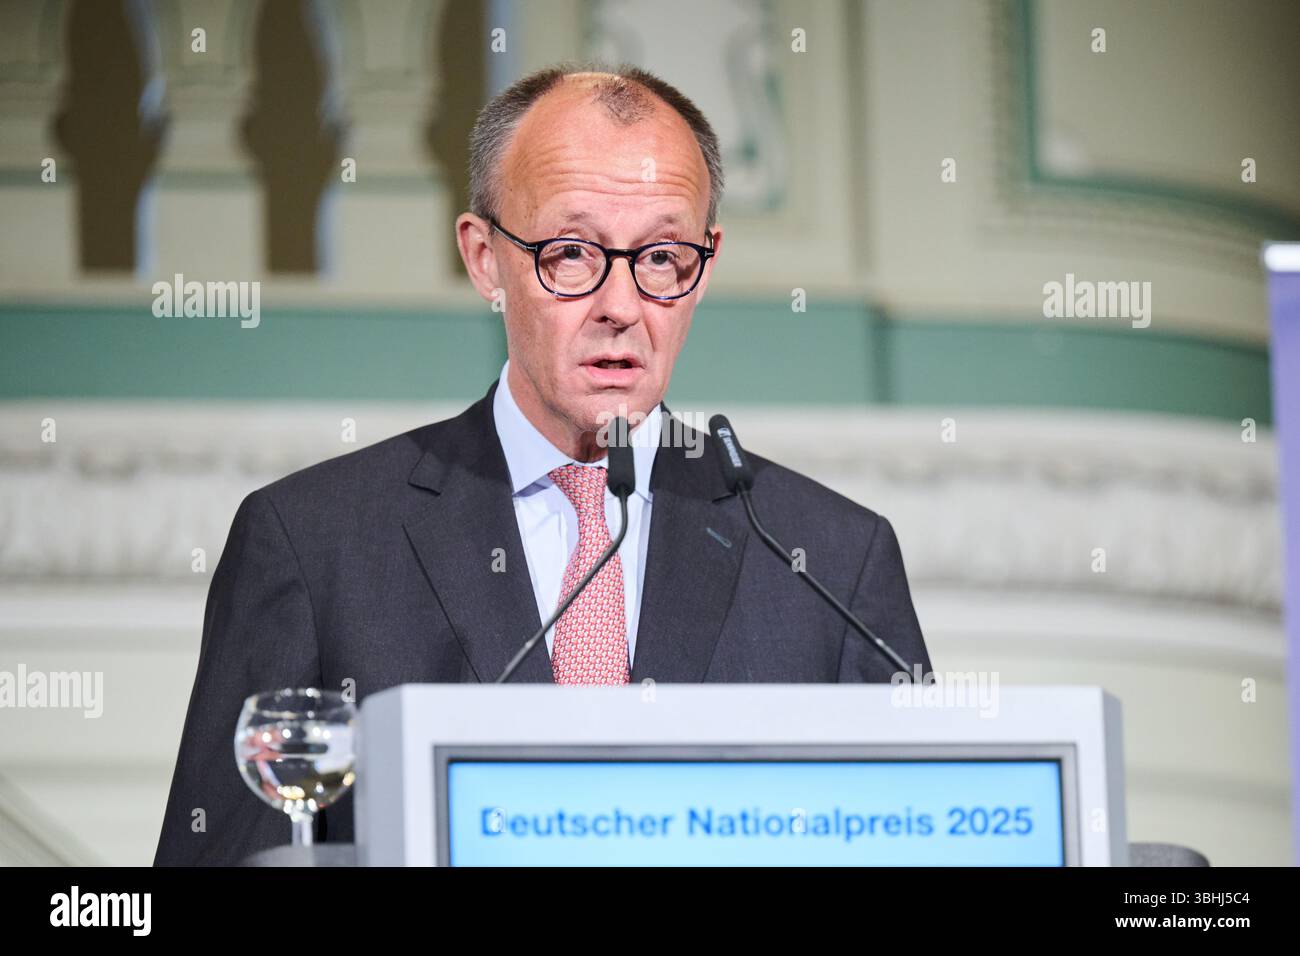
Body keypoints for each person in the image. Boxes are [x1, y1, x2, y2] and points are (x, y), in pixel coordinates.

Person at [154, 63, 932, 866]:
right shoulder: (317, 547)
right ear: (486, 258)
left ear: (706, 264)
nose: (622, 307)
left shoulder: (828, 562)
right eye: (571, 253)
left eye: (663, 257)